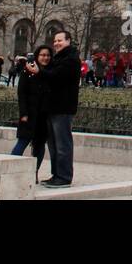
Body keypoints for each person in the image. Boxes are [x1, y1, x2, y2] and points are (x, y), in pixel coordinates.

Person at [30, 29, 80, 188]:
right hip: (53, 107)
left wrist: (40, 72)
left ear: (68, 41)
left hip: (62, 108)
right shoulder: (59, 58)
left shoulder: (71, 59)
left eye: (60, 40)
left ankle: (64, 177)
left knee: (62, 144)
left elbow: (56, 76)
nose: (57, 43)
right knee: (53, 145)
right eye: (55, 41)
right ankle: (56, 175)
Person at [11, 45, 51, 178]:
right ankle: (11, 170)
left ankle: (34, 174)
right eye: (42, 55)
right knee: (22, 142)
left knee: (39, 147)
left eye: (47, 55)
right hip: (29, 114)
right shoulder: (27, 71)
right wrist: (23, 114)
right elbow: (21, 94)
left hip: (43, 116)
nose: (45, 58)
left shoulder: (50, 72)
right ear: (37, 56)